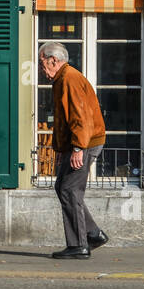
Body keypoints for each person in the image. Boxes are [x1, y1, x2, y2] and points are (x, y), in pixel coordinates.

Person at [39, 42, 109, 259]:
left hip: (85, 143)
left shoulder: (70, 78)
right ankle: (92, 234)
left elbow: (81, 118)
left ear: (53, 60)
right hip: (79, 143)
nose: (42, 70)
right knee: (63, 187)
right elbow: (64, 119)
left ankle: (79, 245)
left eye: (42, 64)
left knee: (70, 190)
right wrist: (62, 148)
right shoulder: (62, 79)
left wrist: (78, 148)